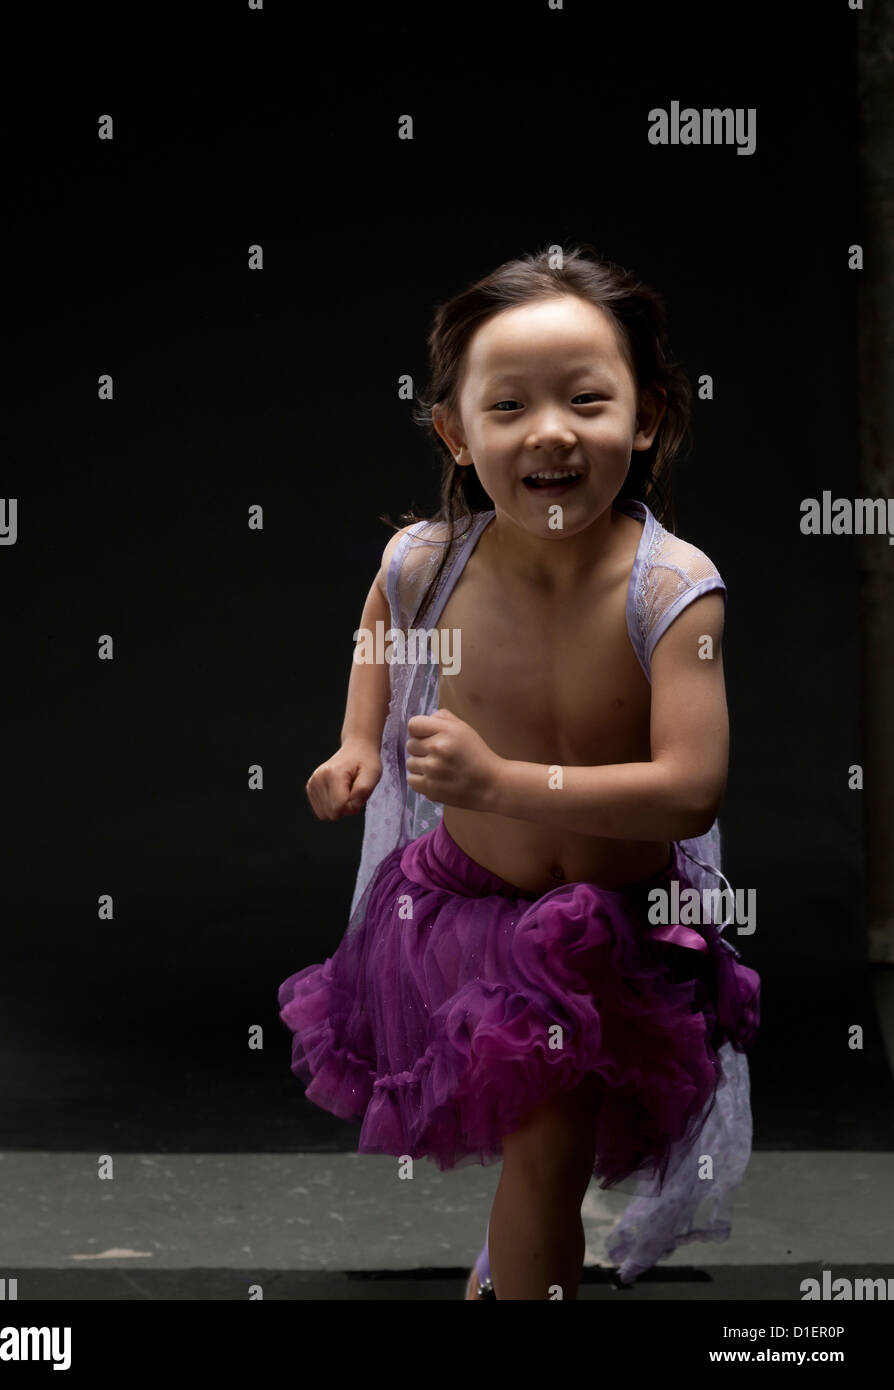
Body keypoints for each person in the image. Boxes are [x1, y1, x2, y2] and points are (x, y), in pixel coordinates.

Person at [277, 243, 761, 1301]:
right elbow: (380, 627)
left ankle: (516, 1264)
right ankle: (526, 1255)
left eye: (586, 400)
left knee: (551, 1140)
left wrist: (502, 781)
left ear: (645, 420)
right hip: (458, 912)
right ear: (456, 432)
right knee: (545, 1139)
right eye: (508, 407)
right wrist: (358, 741)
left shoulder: (669, 591)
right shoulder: (426, 562)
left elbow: (689, 787)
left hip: (611, 928)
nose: (549, 430)